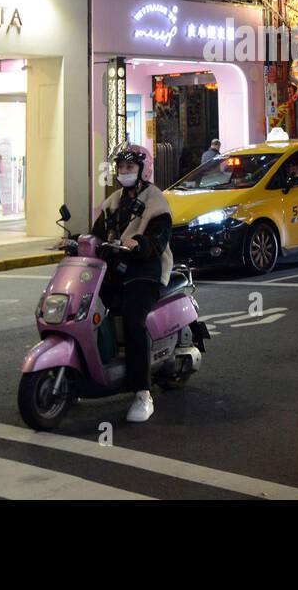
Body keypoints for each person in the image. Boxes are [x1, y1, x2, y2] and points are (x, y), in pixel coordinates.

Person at [90, 147, 173, 423]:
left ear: (142, 170)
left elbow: (158, 239)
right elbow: (97, 235)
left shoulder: (156, 201)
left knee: (134, 319)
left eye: (130, 167)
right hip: (115, 269)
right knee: (84, 310)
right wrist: (77, 242)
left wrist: (141, 244)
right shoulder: (113, 201)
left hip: (145, 269)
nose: (124, 172)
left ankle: (142, 392)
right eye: (121, 168)